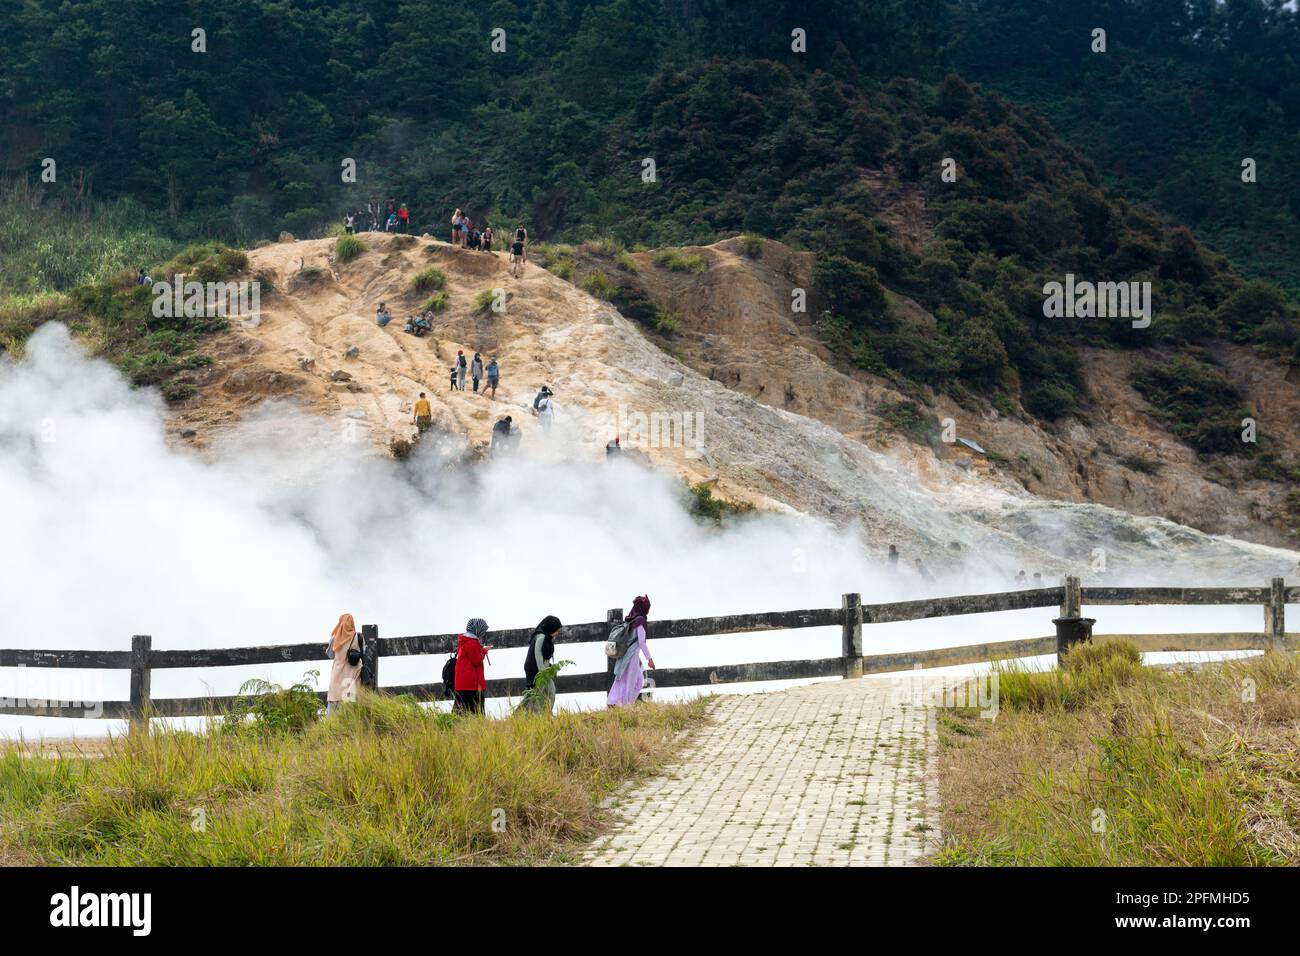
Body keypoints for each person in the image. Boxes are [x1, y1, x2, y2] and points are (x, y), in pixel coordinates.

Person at [607, 596, 654, 708]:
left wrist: (639, 659)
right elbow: (641, 642)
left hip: (626, 656)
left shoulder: (631, 620)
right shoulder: (640, 621)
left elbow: (632, 642)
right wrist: (650, 659)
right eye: (648, 607)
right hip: (631, 657)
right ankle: (626, 707)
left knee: (635, 681)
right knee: (631, 683)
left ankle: (617, 703)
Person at [521, 616, 563, 715]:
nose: (557, 633)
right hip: (536, 670)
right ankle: (540, 715)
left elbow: (545, 659)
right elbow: (538, 657)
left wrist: (551, 668)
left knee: (537, 694)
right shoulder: (541, 637)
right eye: (557, 630)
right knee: (543, 692)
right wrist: (544, 674)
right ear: (551, 627)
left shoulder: (545, 637)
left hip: (540, 669)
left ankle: (538, 714)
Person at [326, 612, 363, 714]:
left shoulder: (334, 638)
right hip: (352, 674)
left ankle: (331, 727)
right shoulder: (357, 636)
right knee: (349, 702)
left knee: (334, 699)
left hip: (337, 674)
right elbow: (363, 654)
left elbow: (330, 655)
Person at [453, 618, 491, 714]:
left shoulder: (466, 641)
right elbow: (476, 660)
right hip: (470, 685)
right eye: (483, 631)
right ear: (478, 630)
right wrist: (484, 650)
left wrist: (481, 649)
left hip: (463, 684)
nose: (483, 634)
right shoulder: (472, 643)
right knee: (475, 713)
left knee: (461, 713)